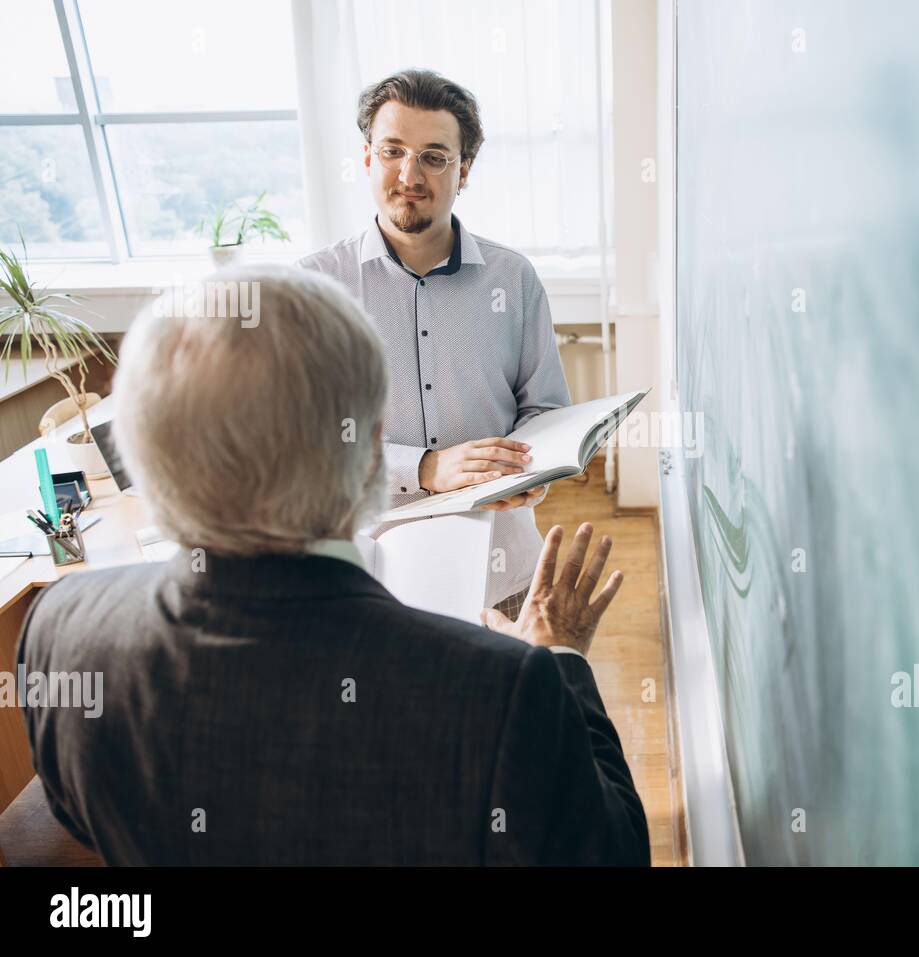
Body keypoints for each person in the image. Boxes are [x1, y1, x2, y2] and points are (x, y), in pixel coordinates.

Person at [17, 267, 649, 866]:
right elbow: (611, 855)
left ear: (142, 456)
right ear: (372, 450)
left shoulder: (58, 631)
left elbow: (82, 816)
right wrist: (563, 661)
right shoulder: (506, 692)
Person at [300, 69, 568, 622]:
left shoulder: (512, 278)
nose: (409, 173)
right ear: (368, 157)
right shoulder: (314, 289)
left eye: (434, 156)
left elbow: (545, 411)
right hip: (372, 580)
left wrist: (527, 475)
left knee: (507, 708)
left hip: (504, 572)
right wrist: (422, 469)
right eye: (393, 150)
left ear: (463, 170)